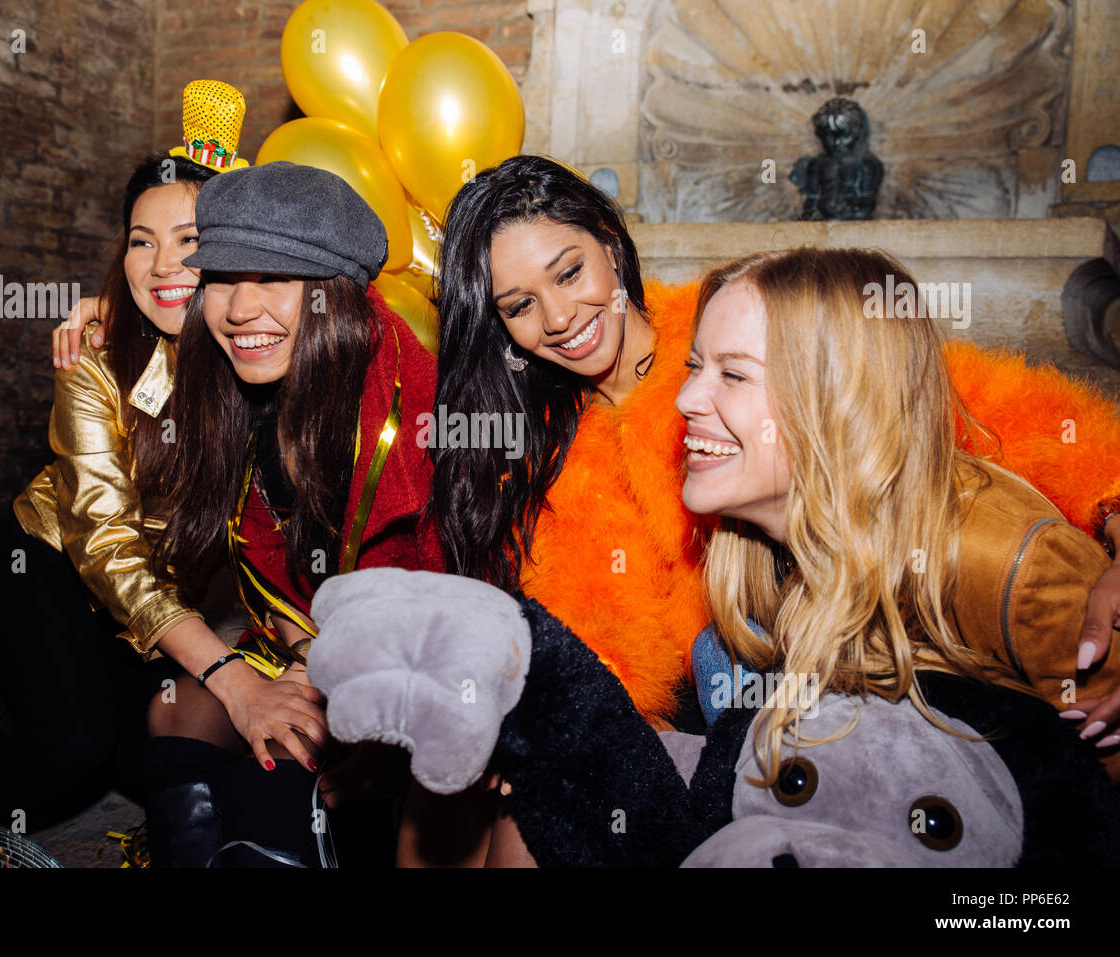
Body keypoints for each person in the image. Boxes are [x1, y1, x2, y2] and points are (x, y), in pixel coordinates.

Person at [433, 153, 1120, 738]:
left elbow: (988, 404)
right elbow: (600, 634)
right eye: (519, 305)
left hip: (870, 669)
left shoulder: (734, 326)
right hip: (725, 716)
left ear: (610, 247)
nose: (557, 317)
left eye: (569, 272)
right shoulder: (553, 456)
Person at [0, 150, 225, 828]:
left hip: (139, 589)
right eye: (140, 242)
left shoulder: (255, 353)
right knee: (72, 742)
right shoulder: (94, 353)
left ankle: (18, 703)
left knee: (162, 763)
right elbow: (102, 543)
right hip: (47, 558)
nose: (160, 265)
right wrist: (221, 667)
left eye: (189, 242)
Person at [139, 161, 442, 867]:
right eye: (220, 278)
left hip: (411, 663)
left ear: (334, 294)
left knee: (275, 758)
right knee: (171, 709)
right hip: (301, 637)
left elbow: (434, 595)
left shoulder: (405, 406)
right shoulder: (240, 382)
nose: (240, 308)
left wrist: (314, 680)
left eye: (272, 277)